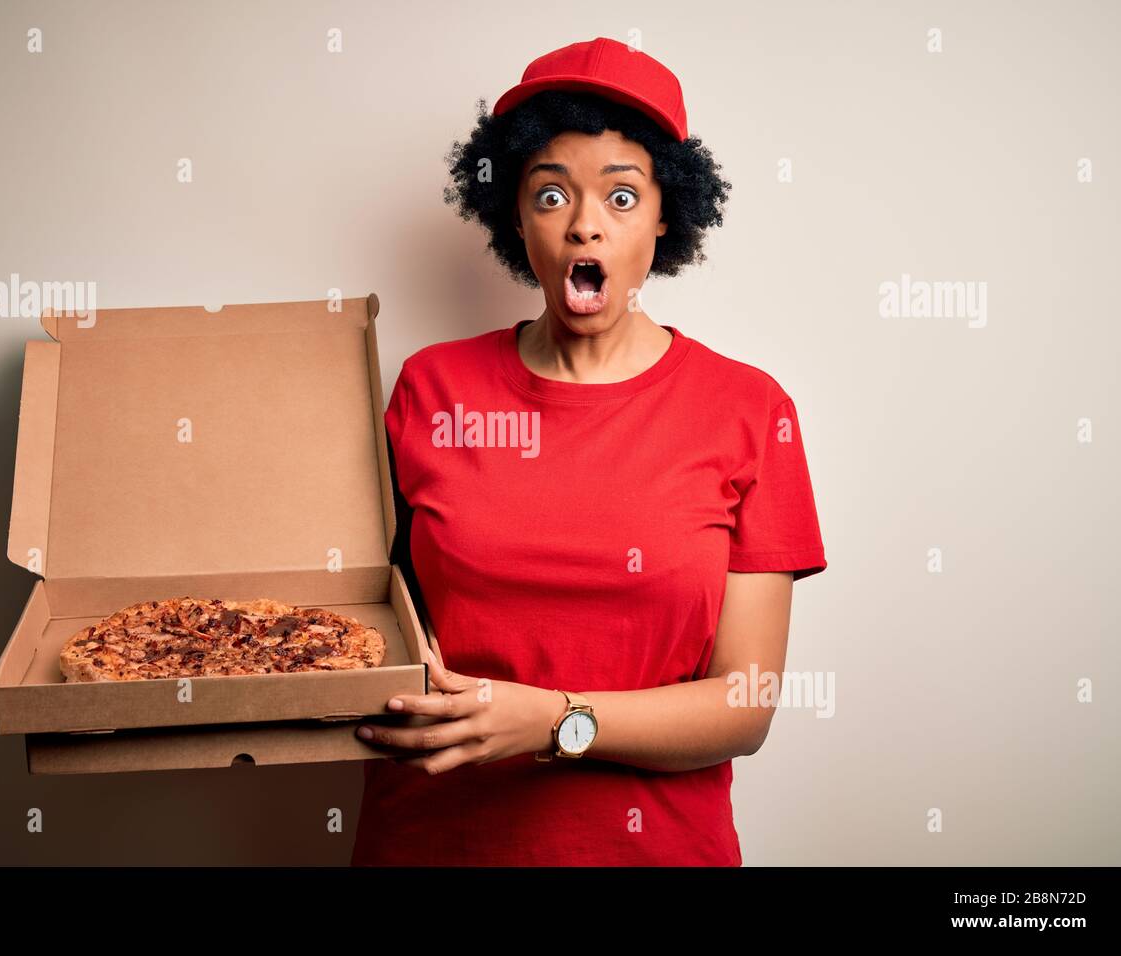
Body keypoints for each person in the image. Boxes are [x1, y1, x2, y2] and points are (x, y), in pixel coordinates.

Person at [350, 37, 827, 866]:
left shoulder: (751, 411)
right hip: (433, 842)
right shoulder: (432, 389)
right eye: (549, 195)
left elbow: (745, 707)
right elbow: (363, 620)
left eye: (620, 195)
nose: (583, 224)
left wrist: (557, 720)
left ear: (666, 216)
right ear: (516, 219)